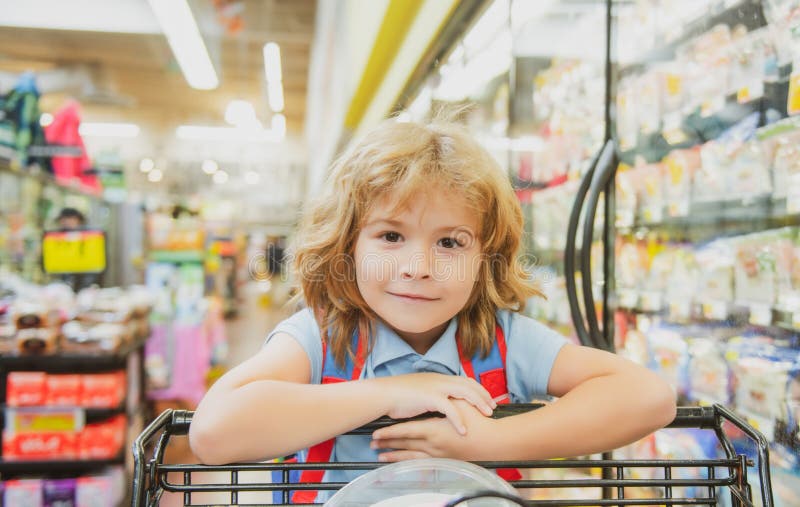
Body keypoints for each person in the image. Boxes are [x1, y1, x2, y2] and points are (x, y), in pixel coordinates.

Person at [188, 118, 676, 502]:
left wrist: (483, 443)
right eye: (391, 236)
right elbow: (213, 432)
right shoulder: (323, 337)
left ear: (487, 257)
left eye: (449, 242)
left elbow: (648, 396)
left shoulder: (500, 341)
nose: (418, 267)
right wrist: (391, 392)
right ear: (347, 245)